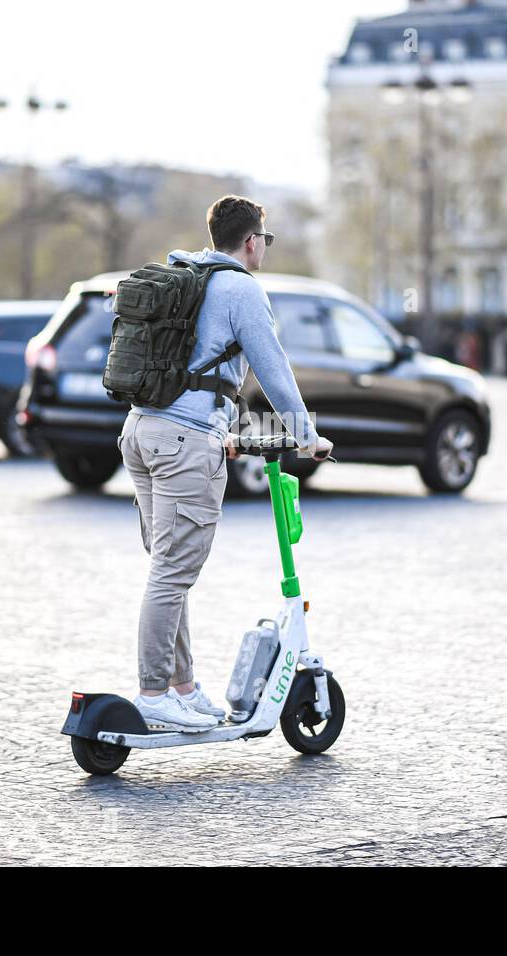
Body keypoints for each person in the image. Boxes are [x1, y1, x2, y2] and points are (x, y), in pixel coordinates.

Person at [119, 195, 334, 731]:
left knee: (169, 566)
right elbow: (274, 370)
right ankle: (151, 693)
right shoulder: (240, 288)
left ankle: (182, 689)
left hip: (141, 431)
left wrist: (228, 433)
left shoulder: (185, 273)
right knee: (173, 572)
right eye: (266, 238)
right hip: (184, 443)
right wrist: (307, 438)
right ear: (252, 240)